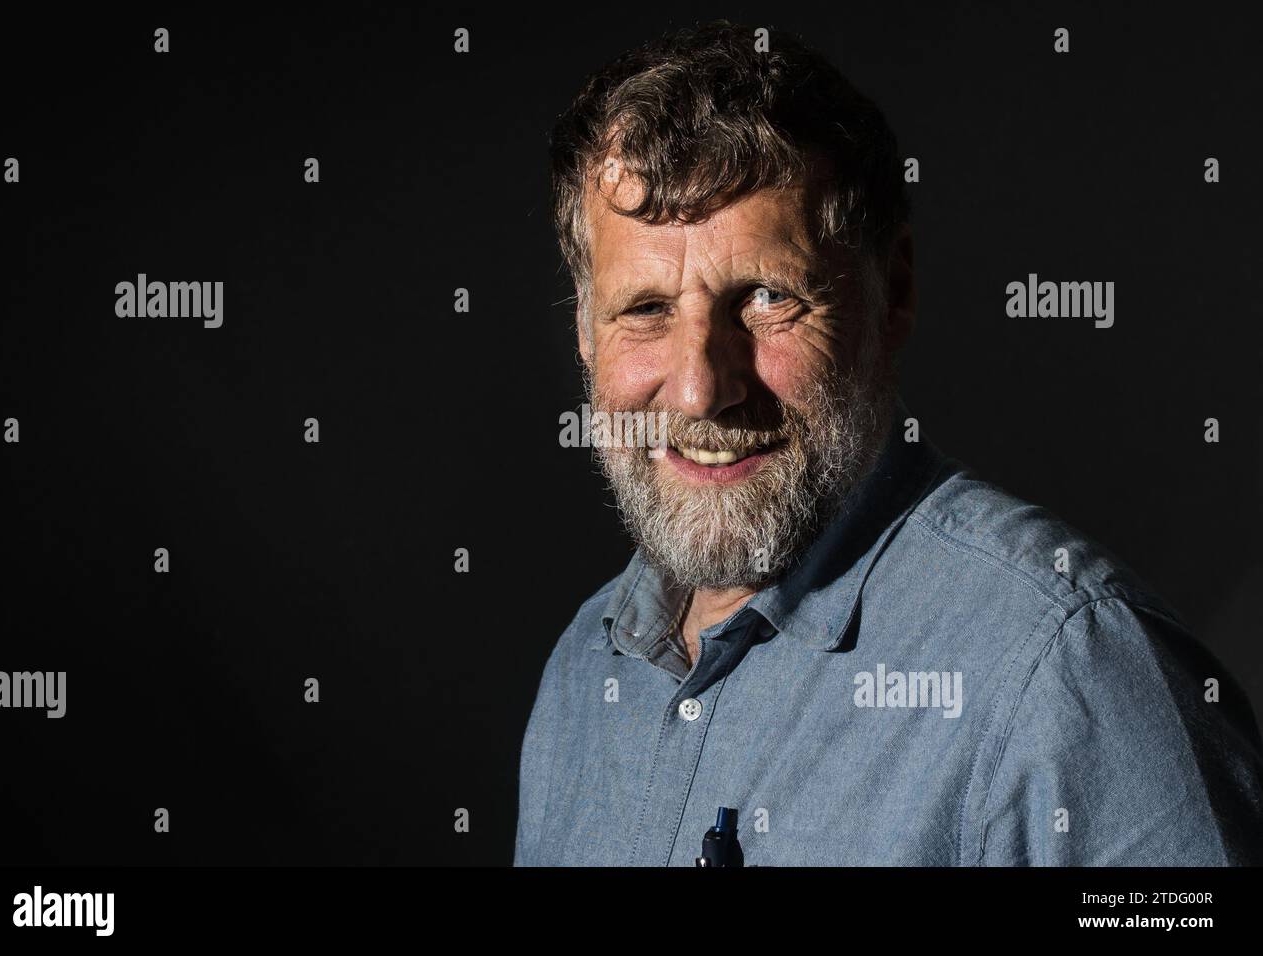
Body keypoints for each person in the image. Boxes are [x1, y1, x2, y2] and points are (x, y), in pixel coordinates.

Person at [514, 19, 1263, 865]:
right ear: (583, 329)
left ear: (892, 292)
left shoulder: (1067, 672)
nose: (699, 388)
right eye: (645, 309)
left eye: (766, 297)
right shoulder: (582, 676)